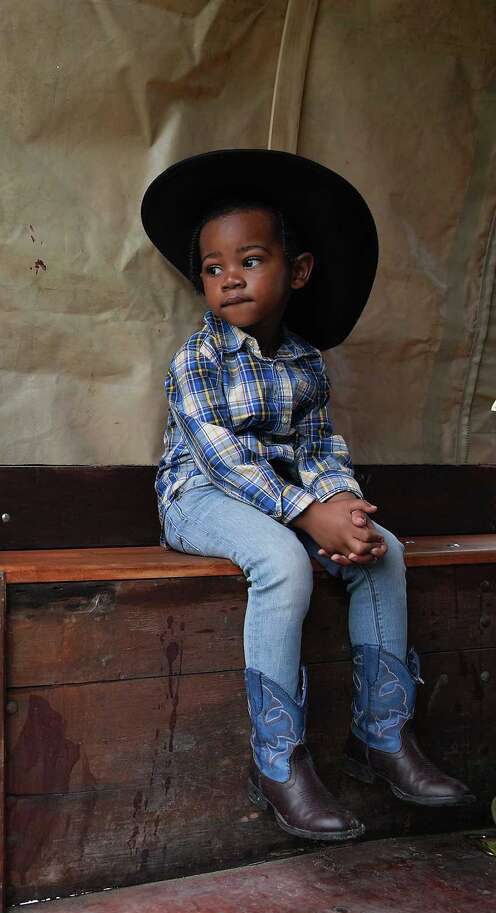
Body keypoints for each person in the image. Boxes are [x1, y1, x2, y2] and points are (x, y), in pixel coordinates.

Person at [141, 149, 472, 842]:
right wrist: (305, 514)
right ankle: (279, 758)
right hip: (199, 495)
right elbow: (224, 460)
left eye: (250, 260)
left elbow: (318, 448)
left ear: (297, 272)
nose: (229, 278)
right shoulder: (196, 360)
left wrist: (343, 508)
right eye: (212, 267)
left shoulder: (306, 364)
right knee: (281, 562)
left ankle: (383, 735)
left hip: (285, 498)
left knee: (383, 553)